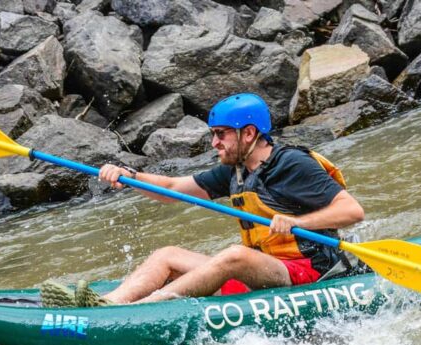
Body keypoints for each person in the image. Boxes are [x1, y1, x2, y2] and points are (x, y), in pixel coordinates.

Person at [40, 93, 365, 307]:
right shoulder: (235, 172)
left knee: (234, 255)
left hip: (311, 272)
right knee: (167, 255)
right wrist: (127, 176)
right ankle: (108, 305)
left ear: (248, 134)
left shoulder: (291, 164)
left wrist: (298, 223)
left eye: (221, 134)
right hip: (266, 270)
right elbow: (171, 189)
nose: (214, 143)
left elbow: (352, 210)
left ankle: (144, 310)